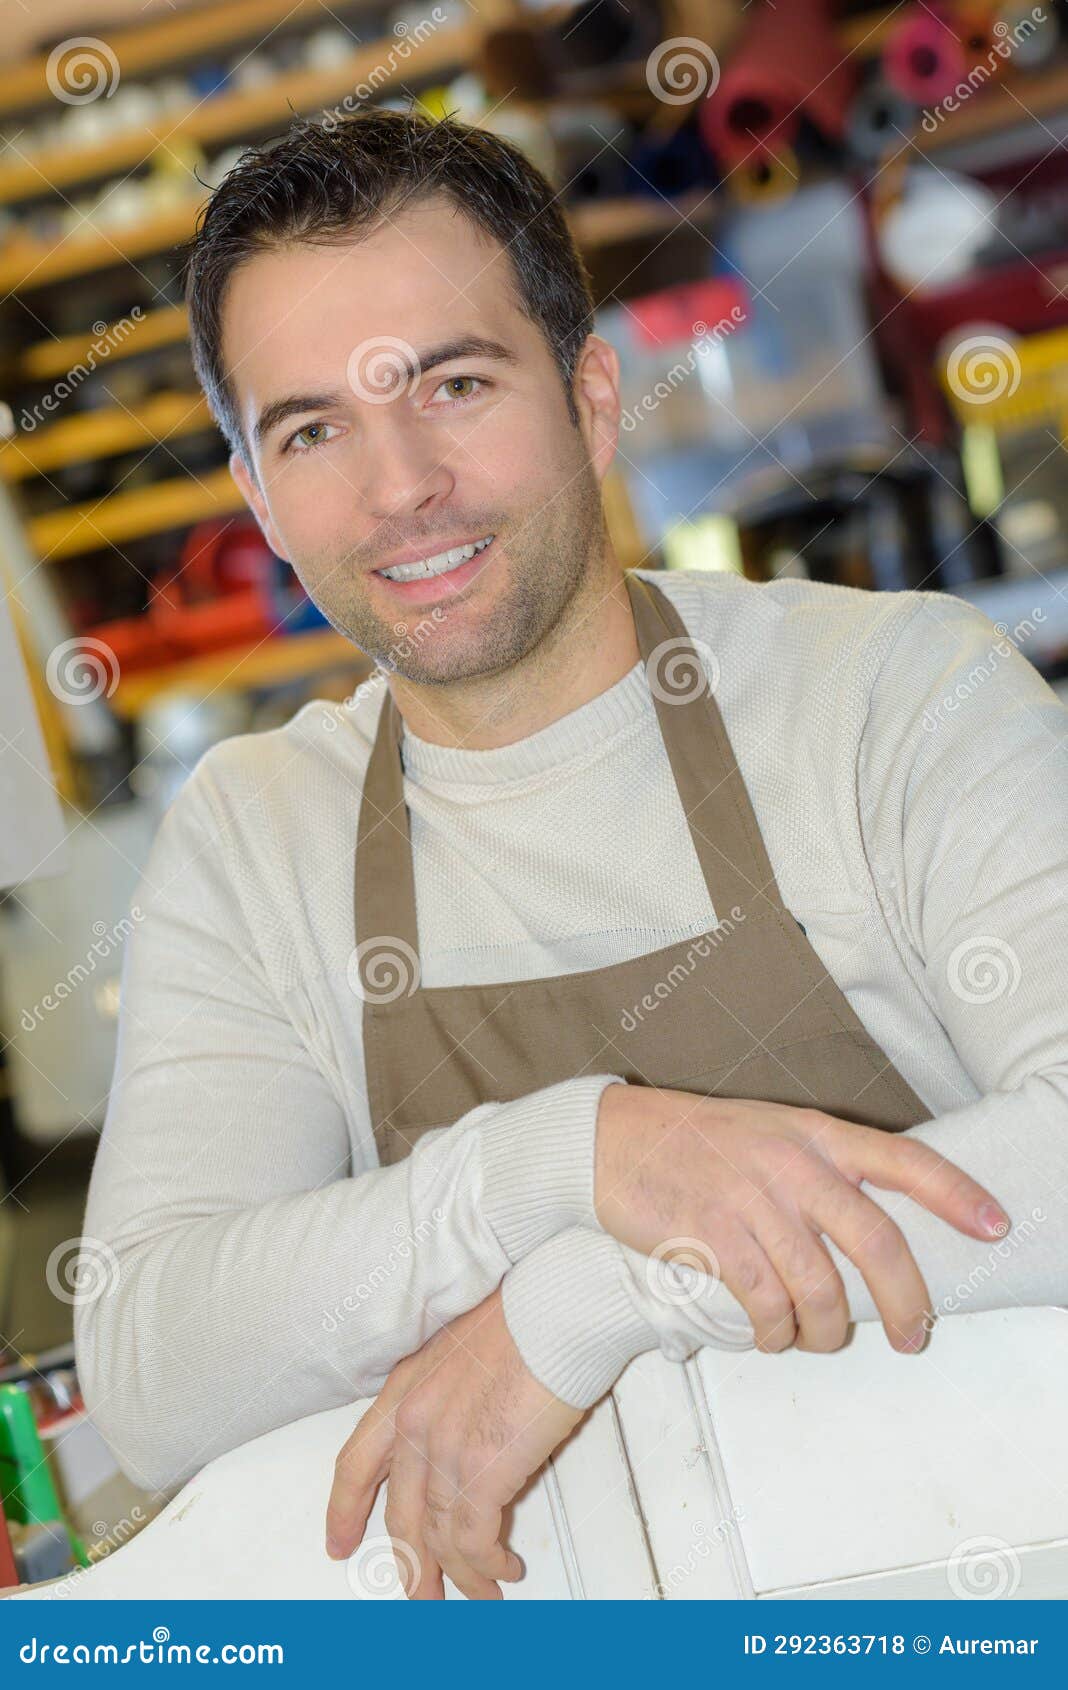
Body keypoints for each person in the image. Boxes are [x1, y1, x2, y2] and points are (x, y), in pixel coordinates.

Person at [75, 110, 1068, 1602]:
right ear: (261, 498)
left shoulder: (892, 695)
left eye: (454, 384)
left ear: (593, 398)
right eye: (314, 428)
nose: (401, 483)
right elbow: (156, 1366)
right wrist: (564, 1161)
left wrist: (594, 1294)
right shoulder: (253, 836)